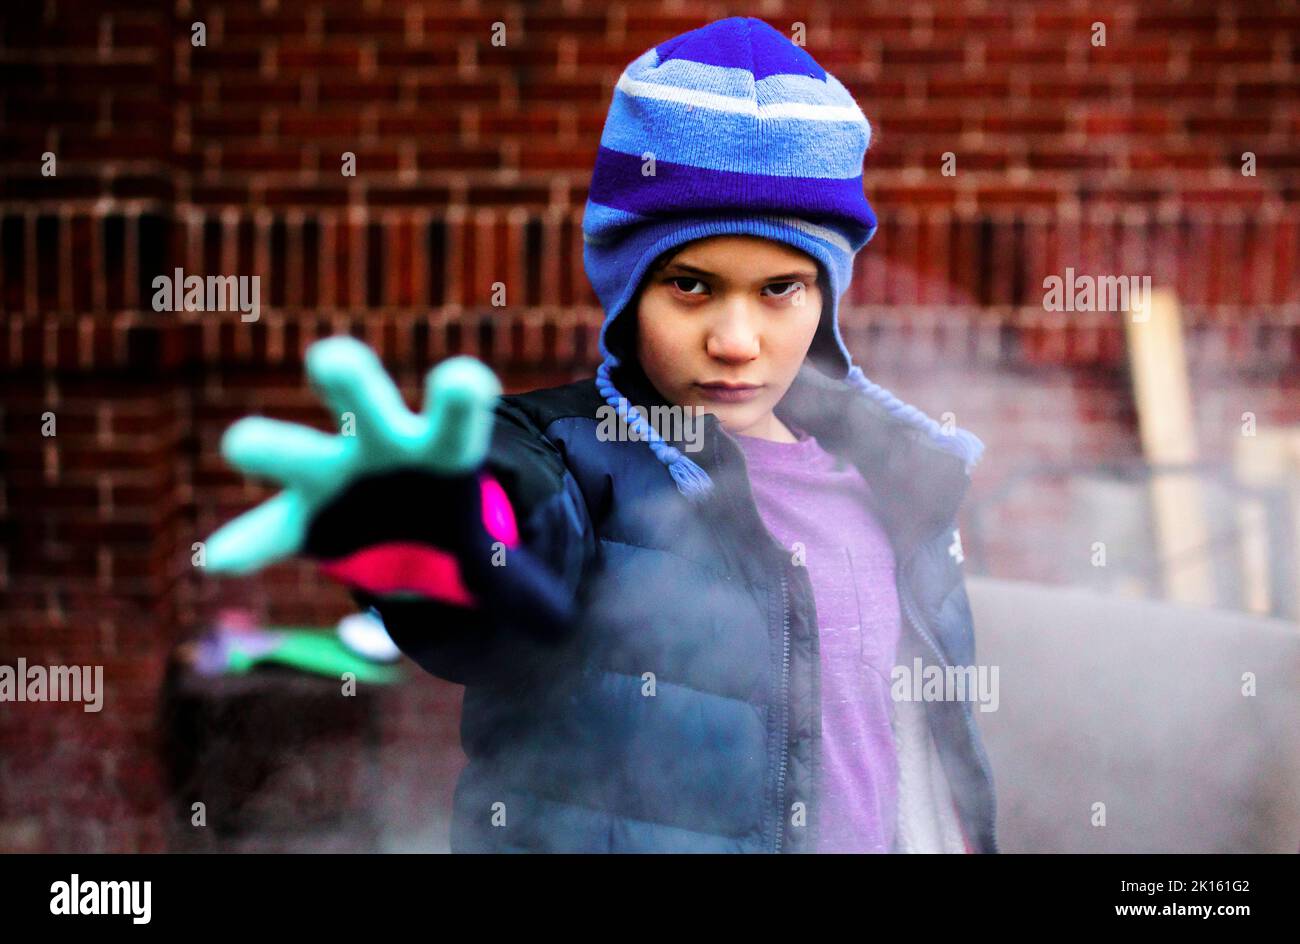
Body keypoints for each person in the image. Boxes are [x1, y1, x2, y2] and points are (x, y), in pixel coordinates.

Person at [203, 16, 997, 853]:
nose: (736, 341)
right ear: (625, 287)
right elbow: (507, 556)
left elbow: (920, 766)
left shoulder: (895, 484)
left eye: (779, 289)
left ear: (826, 296)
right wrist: (435, 525)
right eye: (691, 285)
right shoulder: (564, 459)